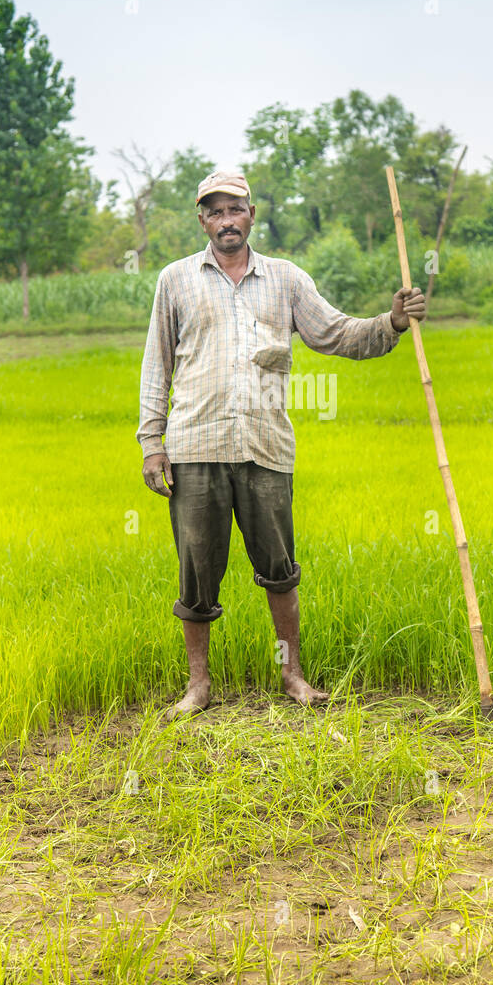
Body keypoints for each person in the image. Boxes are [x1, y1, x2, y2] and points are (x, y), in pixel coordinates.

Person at [137, 167, 426, 718]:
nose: (226, 221)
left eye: (235, 209)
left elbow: (335, 333)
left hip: (267, 447)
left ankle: (292, 675)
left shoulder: (286, 279)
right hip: (195, 446)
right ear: (203, 219)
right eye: (215, 211)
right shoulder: (175, 279)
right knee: (196, 571)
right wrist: (153, 442)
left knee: (280, 568)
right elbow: (157, 364)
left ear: (252, 215)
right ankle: (198, 686)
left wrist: (391, 322)